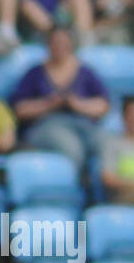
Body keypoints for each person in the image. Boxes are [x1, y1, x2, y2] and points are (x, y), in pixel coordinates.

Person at [10, 26, 111, 172]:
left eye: (64, 43)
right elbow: (19, 109)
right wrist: (49, 104)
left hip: (82, 123)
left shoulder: (86, 72)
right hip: (46, 125)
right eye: (55, 42)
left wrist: (76, 104)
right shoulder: (35, 73)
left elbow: (103, 105)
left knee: (106, 142)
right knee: (71, 148)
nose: (59, 47)